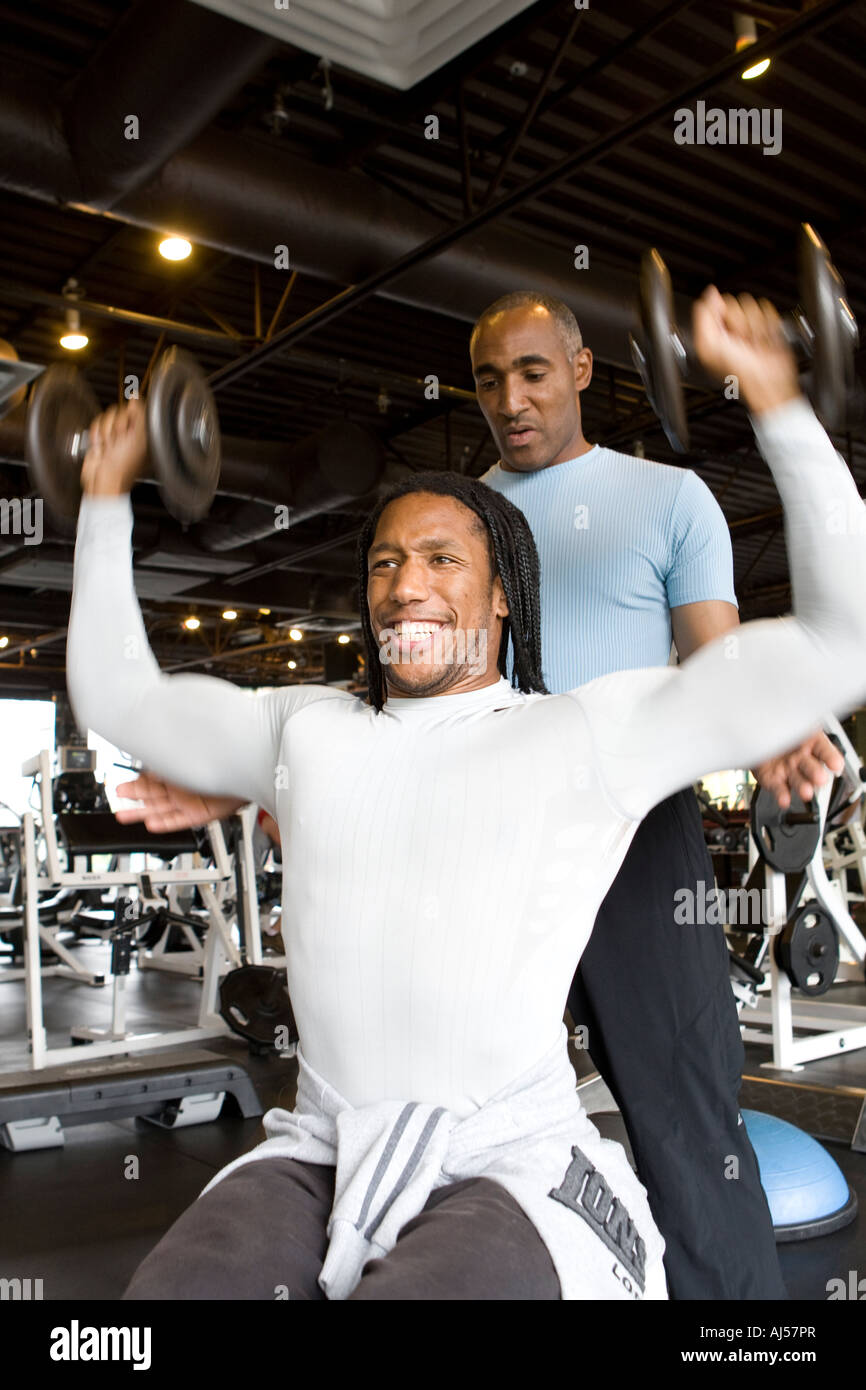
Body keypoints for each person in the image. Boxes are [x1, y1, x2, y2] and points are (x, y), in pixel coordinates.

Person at [68, 289, 866, 1300]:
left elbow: (834, 643)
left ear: (499, 597)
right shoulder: (303, 726)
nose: (407, 581)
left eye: (441, 560)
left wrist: (777, 404)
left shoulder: (588, 706)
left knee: (683, 1122)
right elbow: (119, 696)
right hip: (326, 1136)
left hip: (571, 945)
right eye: (386, 562)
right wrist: (101, 499)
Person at [470, 290, 839, 1298]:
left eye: (532, 371)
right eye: (486, 380)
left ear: (580, 370)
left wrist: (764, 729)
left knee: (684, 1122)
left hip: (635, 833)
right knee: (453, 1114)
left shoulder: (668, 497)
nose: (509, 398)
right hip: (497, 839)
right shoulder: (460, 519)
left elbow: (712, 662)